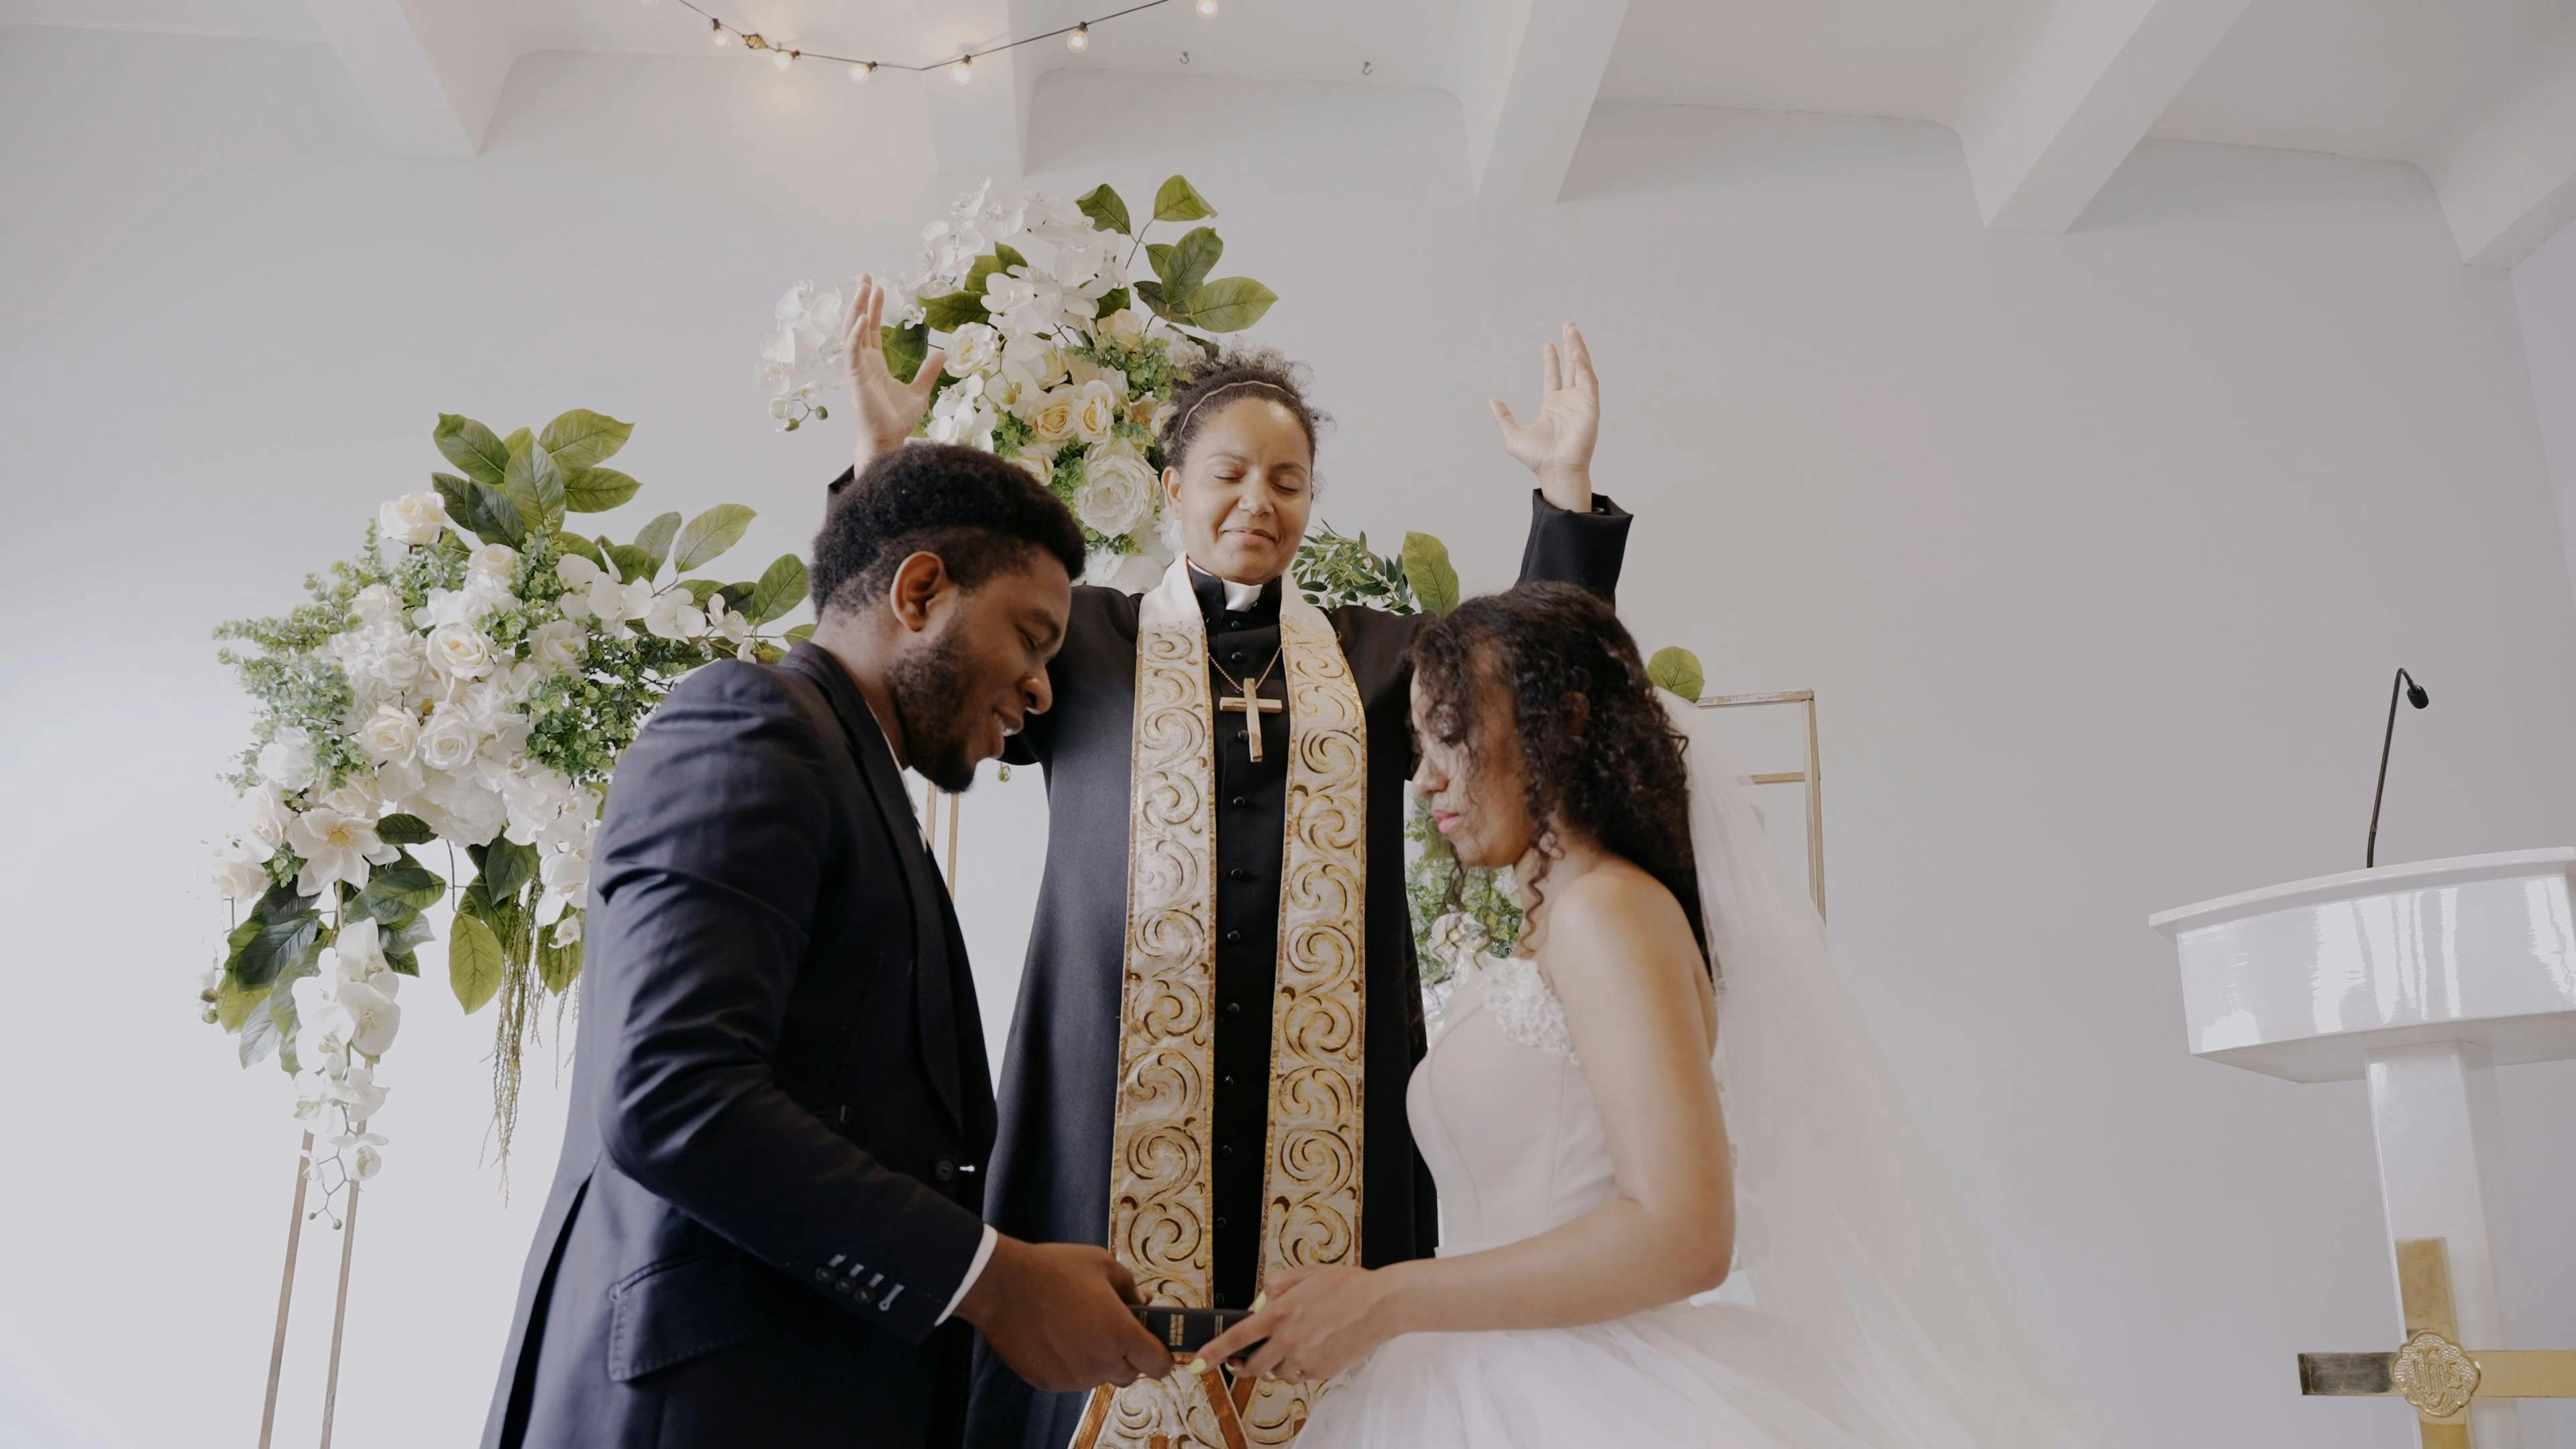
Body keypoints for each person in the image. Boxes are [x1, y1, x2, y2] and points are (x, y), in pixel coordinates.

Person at [833, 280, 1640, 1448]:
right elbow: (914, 650)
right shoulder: (1086, 642)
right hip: (1107, 1087)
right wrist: (880, 464)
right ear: (1171, 489)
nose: (1257, 502)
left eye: (1287, 480)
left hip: (1335, 1093)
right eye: (1227, 474)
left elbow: (1534, 680)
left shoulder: (1375, 658)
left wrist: (1563, 492)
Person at [1197, 582, 2098, 1447]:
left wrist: (1387, 1300)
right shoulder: (1555, 922)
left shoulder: (1608, 914)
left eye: (1450, 734)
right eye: (1420, 743)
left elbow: (1685, 1235)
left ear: (1566, 723)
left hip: (1584, 1396)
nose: (1427, 777)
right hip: (1471, 1382)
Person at [480, 444, 1171, 1449]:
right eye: (1030, 638)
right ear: (922, 589)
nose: (1040, 689)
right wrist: (991, 1282)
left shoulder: (847, 773)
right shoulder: (751, 725)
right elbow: (672, 1093)